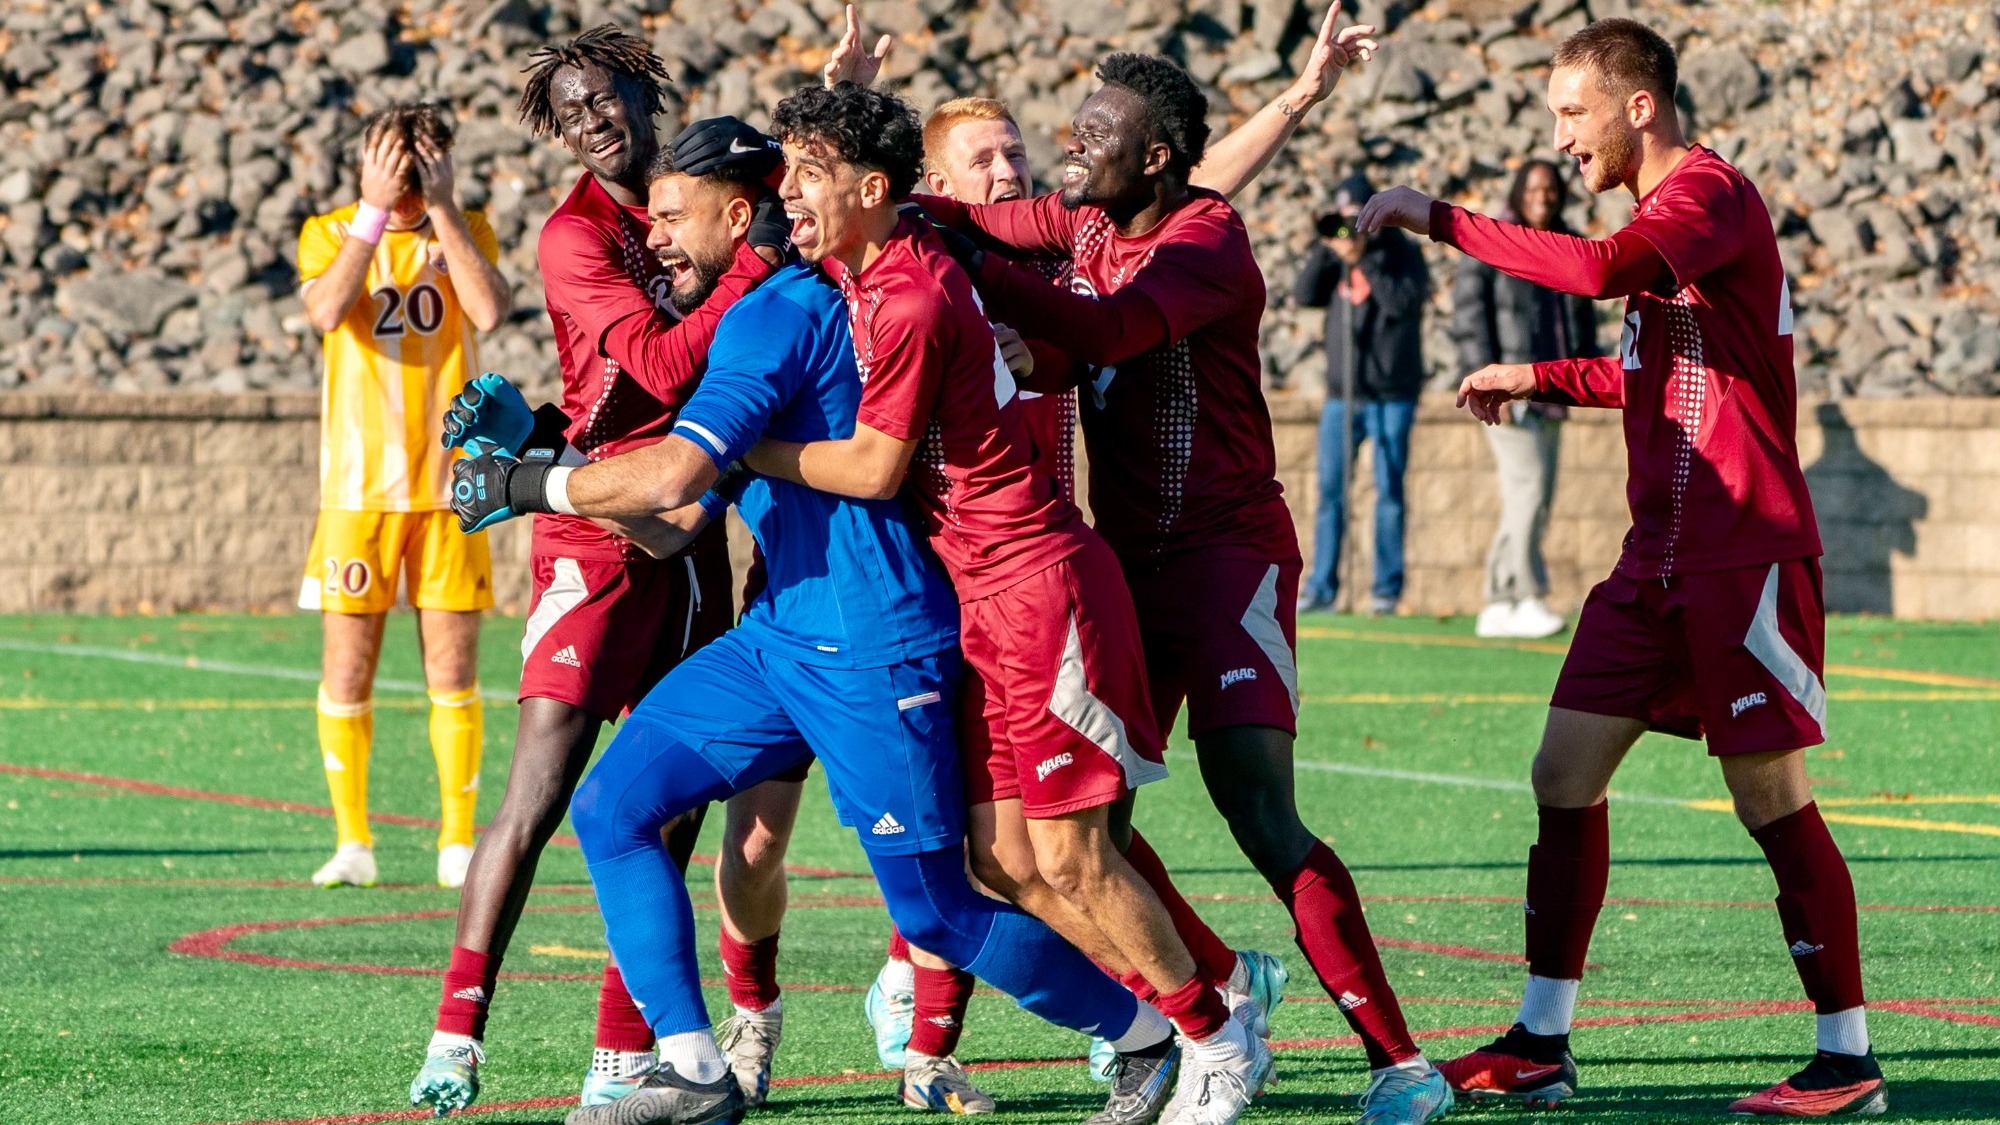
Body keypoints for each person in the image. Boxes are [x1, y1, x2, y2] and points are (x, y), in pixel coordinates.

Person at [445, 181, 1187, 1125]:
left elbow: (677, 473)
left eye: (675, 218)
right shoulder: (764, 315)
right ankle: (694, 1070)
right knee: (613, 807)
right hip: (781, 636)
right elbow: (674, 524)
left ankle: (1147, 1038)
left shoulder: (775, 318)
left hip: (875, 645)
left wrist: (527, 479)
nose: (657, 238)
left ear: (737, 220)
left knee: (938, 913)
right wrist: (550, 442)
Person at [1358, 17, 1883, 1117]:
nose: (1559, 138)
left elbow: (1600, 272)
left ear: (1635, 106)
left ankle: (1847, 1060)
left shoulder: (1704, 196)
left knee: (1768, 797)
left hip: (1742, 553)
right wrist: (1537, 372)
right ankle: (1540, 1040)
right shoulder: (1663, 222)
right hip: (1655, 560)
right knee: (1560, 776)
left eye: (1569, 113)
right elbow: (1651, 372)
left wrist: (1442, 218)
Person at [916, 50, 1453, 1125]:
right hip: (1125, 569)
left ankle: (1399, 1062)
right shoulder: (1090, 226)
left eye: (1090, 134)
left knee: (1255, 809)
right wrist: (875, 190)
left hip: (1225, 559)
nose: (1066, 148)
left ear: (1153, 157)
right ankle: (1205, 1006)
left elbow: (1109, 328)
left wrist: (981, 271)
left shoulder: (1207, 237)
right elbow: (978, 229)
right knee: (1080, 830)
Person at [746, 81, 1274, 1125]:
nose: (787, 192)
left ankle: (1214, 1033)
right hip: (977, 599)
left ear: (872, 188)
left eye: (809, 173)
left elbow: (868, 467)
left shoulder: (912, 289)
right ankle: (1155, 1023)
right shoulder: (875, 264)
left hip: (1036, 586)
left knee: (1077, 852)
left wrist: (726, 451)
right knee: (1000, 857)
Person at [407, 28, 794, 1115]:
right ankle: (457, 1034)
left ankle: (629, 1056)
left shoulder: (706, 187)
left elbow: (807, 178)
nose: (591, 117)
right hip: (601, 521)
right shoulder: (575, 235)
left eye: (603, 94)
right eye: (568, 109)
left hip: (695, 523)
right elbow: (666, 364)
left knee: (670, 804)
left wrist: (826, 117)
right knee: (539, 785)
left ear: (644, 87)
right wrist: (756, 259)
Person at [295, 101, 510, 892]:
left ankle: (458, 840)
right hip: (358, 492)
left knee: (452, 670)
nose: (413, 181)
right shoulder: (331, 231)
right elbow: (324, 311)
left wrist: (446, 210)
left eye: (425, 167)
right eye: (400, 165)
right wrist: (375, 210)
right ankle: (353, 840)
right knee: (346, 671)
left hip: (453, 486)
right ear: (370, 162)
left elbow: (489, 309)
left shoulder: (466, 230)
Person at [1451, 159, 1598, 640]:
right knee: (1529, 492)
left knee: (1533, 495)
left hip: (1554, 391)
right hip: (1510, 394)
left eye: (1551, 189)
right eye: (1534, 188)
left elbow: (1582, 320)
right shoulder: (1495, 240)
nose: (1543, 196)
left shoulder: (1569, 241)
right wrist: (1489, 382)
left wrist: (1587, 379)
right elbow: (1471, 316)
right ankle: (1525, 593)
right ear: (1518, 192)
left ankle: (1499, 599)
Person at [1293, 172, 1430, 617]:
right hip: (1342, 393)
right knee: (1331, 491)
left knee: (1388, 489)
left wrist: (1365, 259)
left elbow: (1402, 306)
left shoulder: (1400, 253)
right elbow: (1303, 295)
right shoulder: (1334, 256)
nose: (1350, 230)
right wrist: (1327, 251)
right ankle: (1321, 586)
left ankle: (1386, 589)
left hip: (1392, 392)